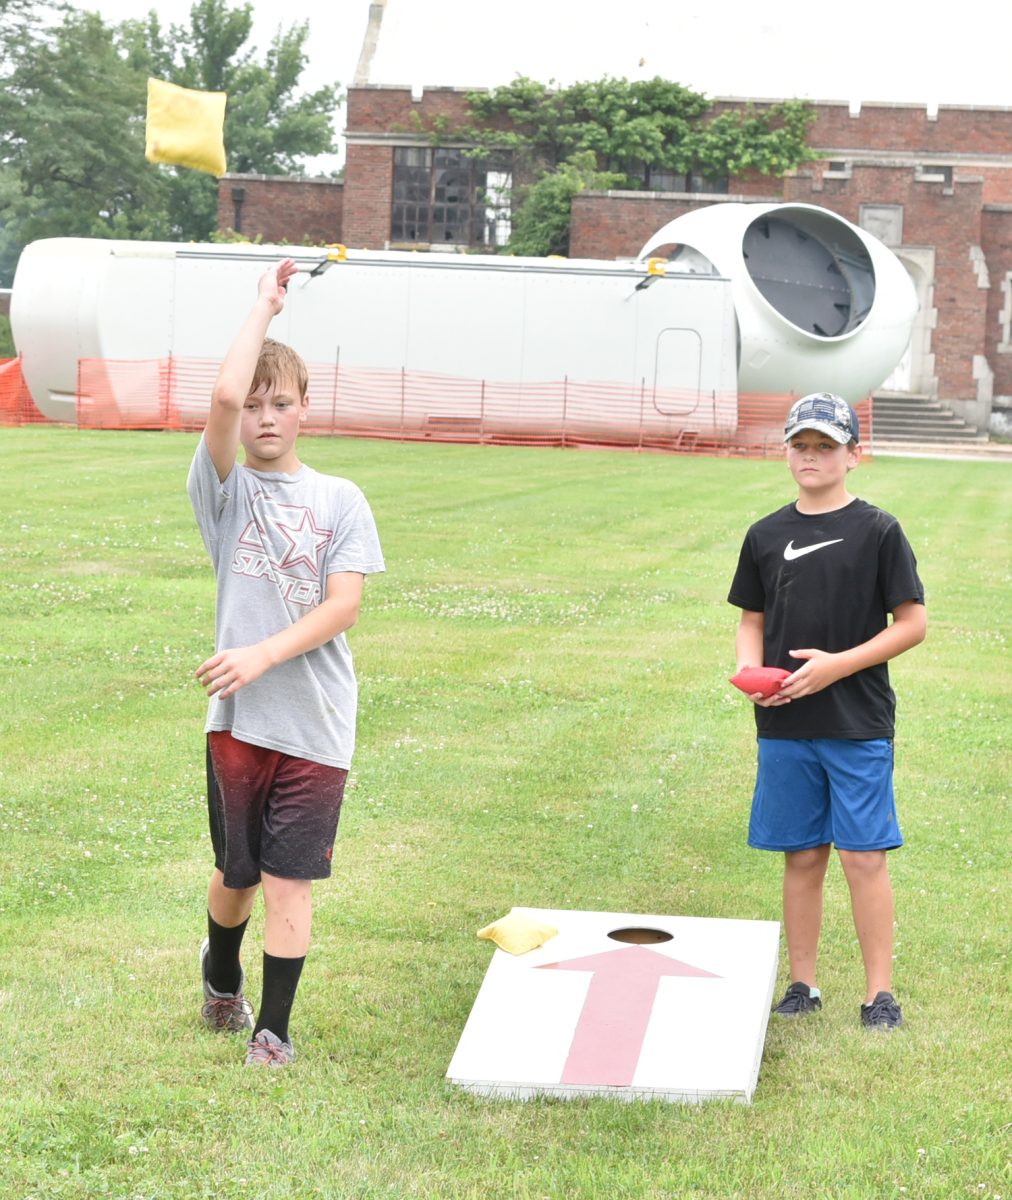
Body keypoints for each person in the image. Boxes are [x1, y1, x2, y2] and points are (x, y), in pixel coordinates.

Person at [187, 259, 385, 1066]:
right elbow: (223, 399)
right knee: (236, 873)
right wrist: (265, 306)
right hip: (240, 723)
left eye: (282, 403)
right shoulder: (226, 491)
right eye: (257, 405)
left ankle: (274, 1031)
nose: (264, 416)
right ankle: (221, 977)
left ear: (306, 410)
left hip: (317, 721)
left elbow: (342, 605)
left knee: (287, 879)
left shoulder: (341, 499)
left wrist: (263, 652)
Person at [727, 392, 925, 1030]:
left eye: (826, 446)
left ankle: (880, 994)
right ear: (786, 452)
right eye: (800, 445)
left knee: (863, 855)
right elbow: (750, 622)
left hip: (856, 721)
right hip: (785, 723)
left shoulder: (878, 530)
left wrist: (839, 664)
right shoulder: (764, 533)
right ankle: (803, 984)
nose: (811, 456)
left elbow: (912, 624)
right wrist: (754, 678)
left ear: (853, 456)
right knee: (802, 854)